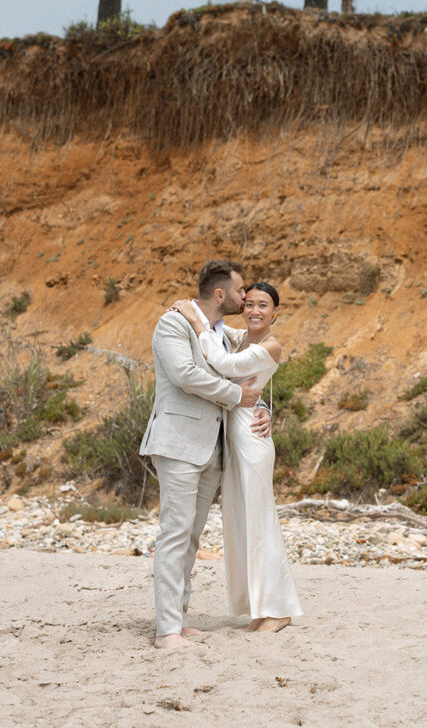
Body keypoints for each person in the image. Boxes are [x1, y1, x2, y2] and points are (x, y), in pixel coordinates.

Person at [139, 259, 270, 650]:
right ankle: (166, 631)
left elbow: (252, 370)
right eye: (240, 290)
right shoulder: (172, 324)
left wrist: (263, 408)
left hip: (213, 448)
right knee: (174, 534)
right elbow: (185, 374)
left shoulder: (223, 334)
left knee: (191, 537)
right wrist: (236, 395)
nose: (245, 297)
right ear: (220, 293)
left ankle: (178, 619)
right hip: (179, 443)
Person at [173, 280, 302, 632]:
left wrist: (193, 319)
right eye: (249, 304)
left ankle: (279, 610)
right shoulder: (241, 337)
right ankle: (261, 607)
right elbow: (217, 328)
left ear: (276, 312)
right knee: (241, 524)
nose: (255, 311)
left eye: (263, 305)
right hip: (234, 440)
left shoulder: (270, 346)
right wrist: (191, 307)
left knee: (260, 522)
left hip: (252, 440)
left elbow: (224, 365)